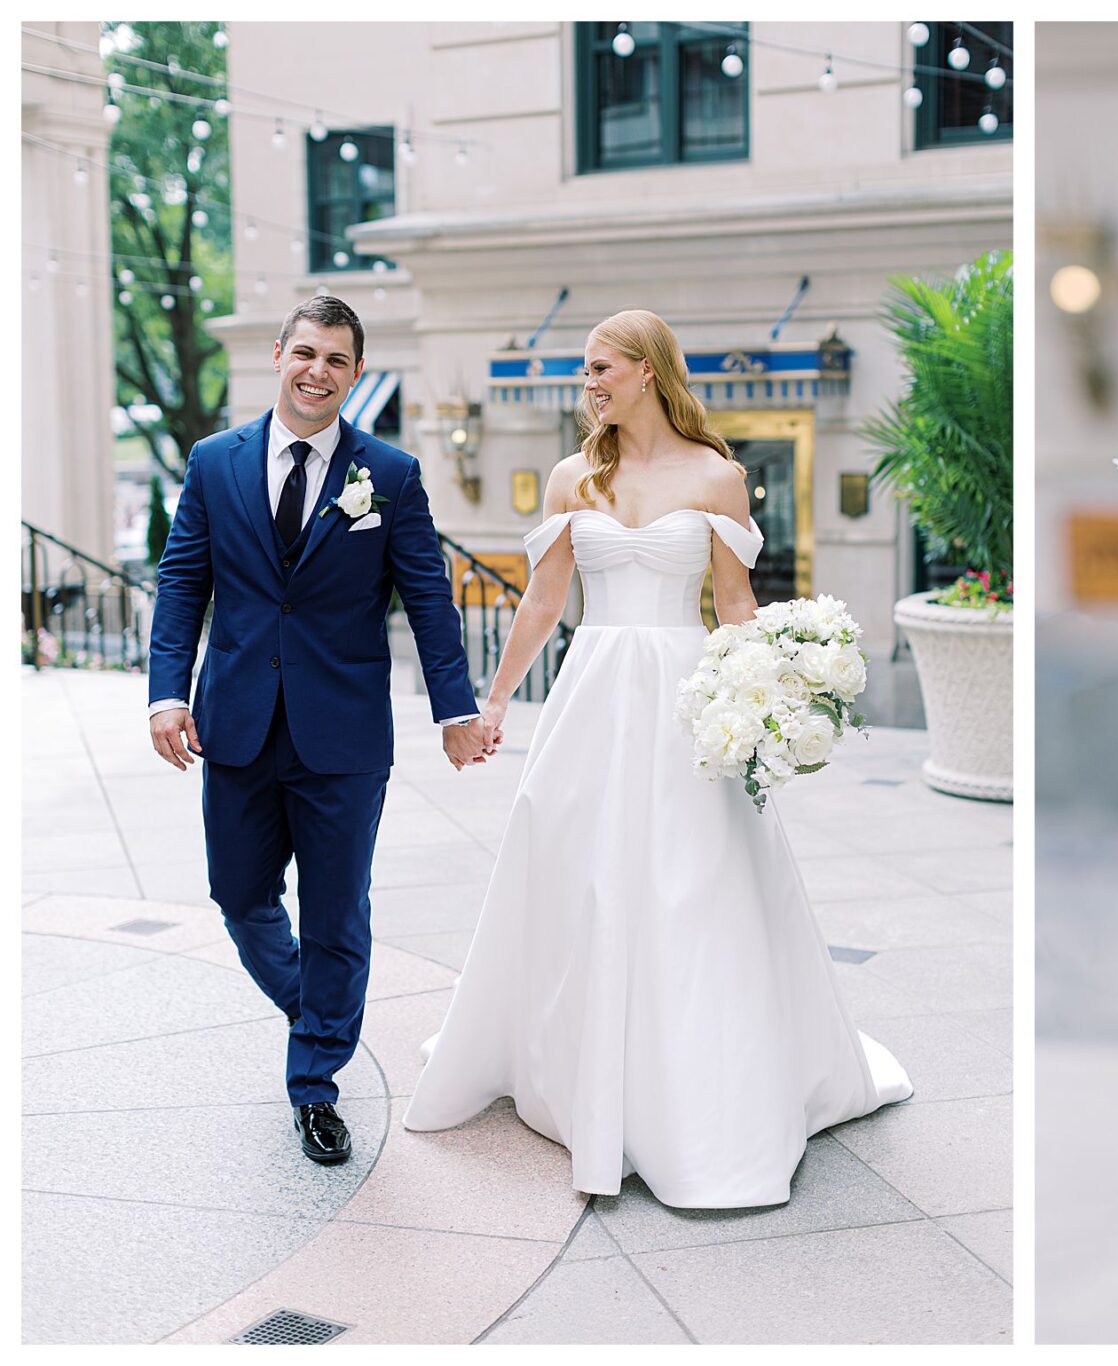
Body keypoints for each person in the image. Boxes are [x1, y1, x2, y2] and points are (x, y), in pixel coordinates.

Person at [401, 309, 911, 1208]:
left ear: (647, 370)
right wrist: (491, 701)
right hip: (594, 692)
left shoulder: (717, 477)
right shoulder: (570, 477)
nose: (588, 383)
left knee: (692, 876)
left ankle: (700, 1088)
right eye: (585, 370)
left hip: (685, 695)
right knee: (576, 867)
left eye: (601, 368)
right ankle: (575, 1063)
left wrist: (766, 703)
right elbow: (544, 604)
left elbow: (733, 601)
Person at [148, 294, 493, 1167]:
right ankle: (322, 1010)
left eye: (337, 360)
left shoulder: (394, 474)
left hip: (342, 735)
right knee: (239, 897)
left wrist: (455, 709)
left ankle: (316, 1088)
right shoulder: (213, 463)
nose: (318, 371)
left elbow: (428, 601)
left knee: (338, 915)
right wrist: (166, 693)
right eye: (306, 352)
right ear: (278, 355)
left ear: (356, 372)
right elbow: (183, 582)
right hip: (234, 724)